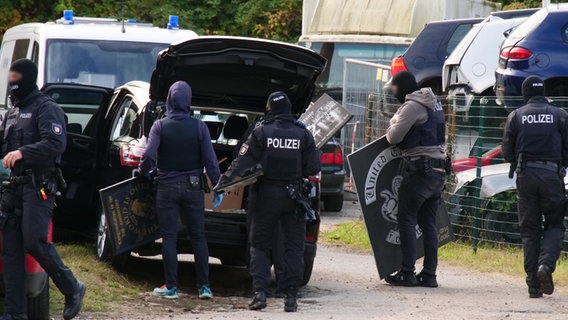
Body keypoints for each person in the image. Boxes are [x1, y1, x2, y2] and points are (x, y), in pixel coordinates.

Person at [217, 92, 320, 312]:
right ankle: (290, 297)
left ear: (270, 108)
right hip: (294, 196)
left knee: (259, 245)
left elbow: (241, 164)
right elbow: (313, 169)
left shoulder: (261, 132)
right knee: (293, 247)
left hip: (265, 196)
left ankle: (260, 293)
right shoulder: (303, 133)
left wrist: (221, 185)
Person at [0, 59, 85, 320]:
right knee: (11, 251)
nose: (12, 81)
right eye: (9, 76)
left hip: (39, 187)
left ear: (27, 77)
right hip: (13, 188)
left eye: (16, 76)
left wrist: (23, 152)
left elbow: (56, 144)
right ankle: (15, 313)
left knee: (35, 241)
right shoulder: (13, 111)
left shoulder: (46, 108)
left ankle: (72, 287)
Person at [139, 81, 224, 300]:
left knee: (169, 238)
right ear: (189, 100)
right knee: (198, 237)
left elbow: (148, 155)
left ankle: (172, 287)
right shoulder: (199, 127)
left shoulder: (160, 125)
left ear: (169, 99)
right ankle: (204, 287)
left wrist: (144, 170)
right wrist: (218, 185)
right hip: (193, 187)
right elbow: (211, 161)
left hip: (166, 187)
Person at [502, 76, 568, 299]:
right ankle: (546, 266)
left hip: (526, 176)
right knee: (555, 225)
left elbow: (506, 152)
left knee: (529, 231)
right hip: (552, 176)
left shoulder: (516, 116)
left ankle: (533, 286)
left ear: (525, 93)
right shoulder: (560, 114)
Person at [385, 71, 447, 288]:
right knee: (428, 223)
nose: (393, 93)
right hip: (438, 171)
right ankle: (430, 275)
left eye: (393, 89)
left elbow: (393, 137)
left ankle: (407, 273)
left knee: (407, 219)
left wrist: (394, 120)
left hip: (420, 169)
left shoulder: (412, 106)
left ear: (402, 87)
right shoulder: (434, 102)